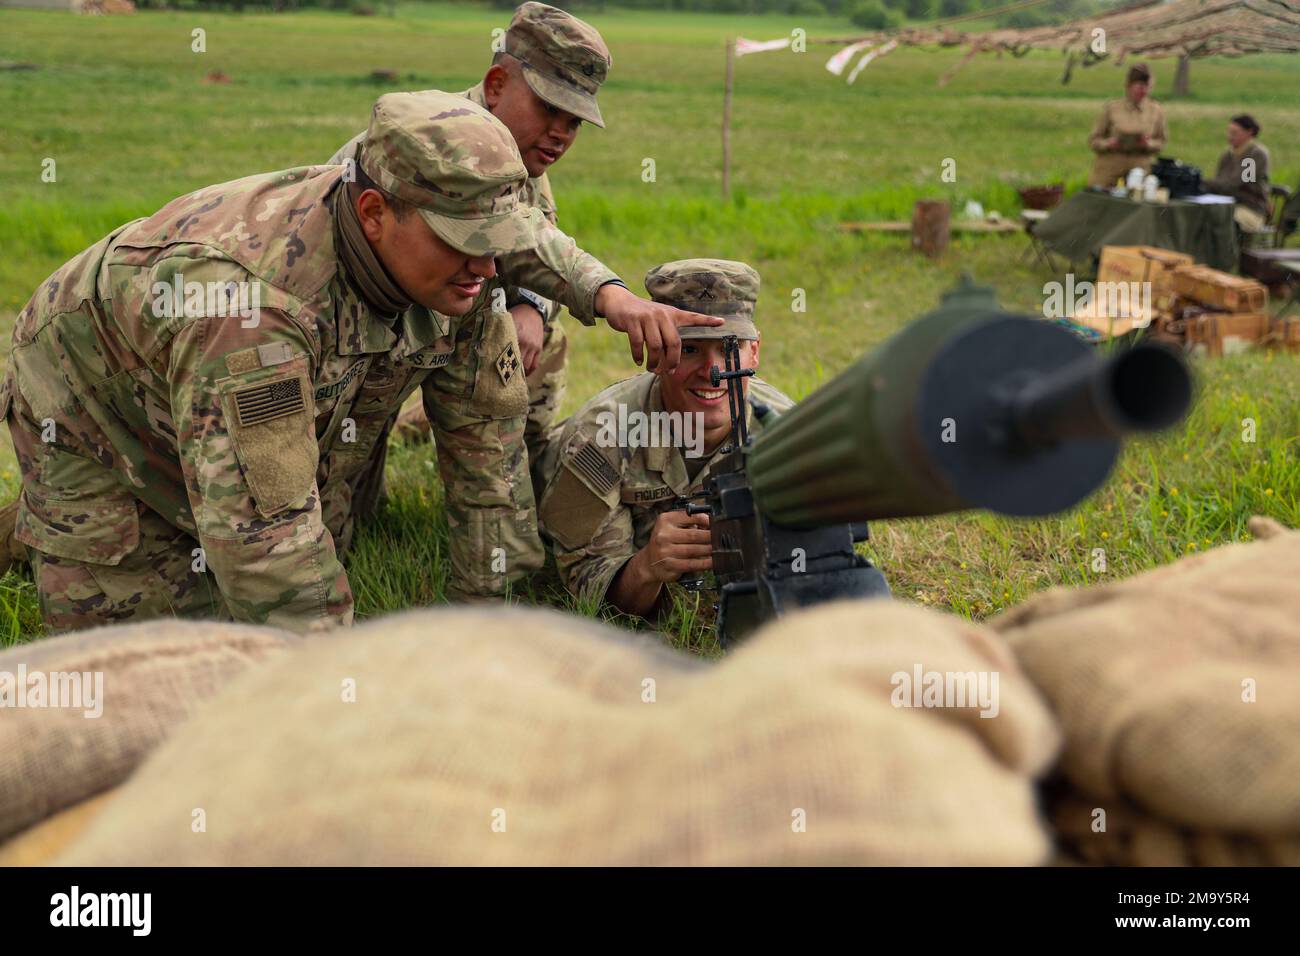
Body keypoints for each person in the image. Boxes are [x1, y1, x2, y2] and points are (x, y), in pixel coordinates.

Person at [0, 91, 718, 633]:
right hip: (96, 408)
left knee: (317, 530)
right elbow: (270, 551)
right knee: (173, 651)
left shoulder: (461, 275)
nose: (486, 263)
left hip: (236, 382)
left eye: (496, 240)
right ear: (374, 214)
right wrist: (351, 700)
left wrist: (491, 630)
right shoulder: (251, 311)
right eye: (462, 240)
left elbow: (488, 467)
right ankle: (47, 522)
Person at [329, 2, 603, 500]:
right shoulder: (423, 144)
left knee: (539, 337)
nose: (561, 134)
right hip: (368, 332)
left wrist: (531, 307)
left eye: (575, 122)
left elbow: (537, 248)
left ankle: (523, 461)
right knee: (347, 507)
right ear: (496, 85)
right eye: (548, 110)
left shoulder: (520, 163)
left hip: (453, 322)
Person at [537, 259, 793, 618]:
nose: (713, 373)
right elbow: (590, 589)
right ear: (656, 352)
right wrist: (645, 568)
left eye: (729, 347)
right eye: (689, 349)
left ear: (755, 351)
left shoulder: (787, 435)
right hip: (550, 469)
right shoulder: (601, 439)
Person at [1087, 63, 1168, 189]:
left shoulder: (1155, 110)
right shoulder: (1112, 108)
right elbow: (1094, 140)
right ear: (1129, 86)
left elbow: (1161, 142)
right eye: (1139, 86)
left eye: (1147, 86)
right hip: (1110, 165)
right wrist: (1108, 143)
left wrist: (1148, 144)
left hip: (1140, 167)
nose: (1143, 90)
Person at [1202, 113, 1272, 232]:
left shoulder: (1256, 155)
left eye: (1234, 133)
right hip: (1228, 206)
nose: (1229, 136)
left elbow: (1235, 184)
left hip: (1250, 209)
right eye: (1229, 132)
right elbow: (1220, 183)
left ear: (1249, 132)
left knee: (1219, 221)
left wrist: (1202, 181)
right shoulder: (1227, 155)